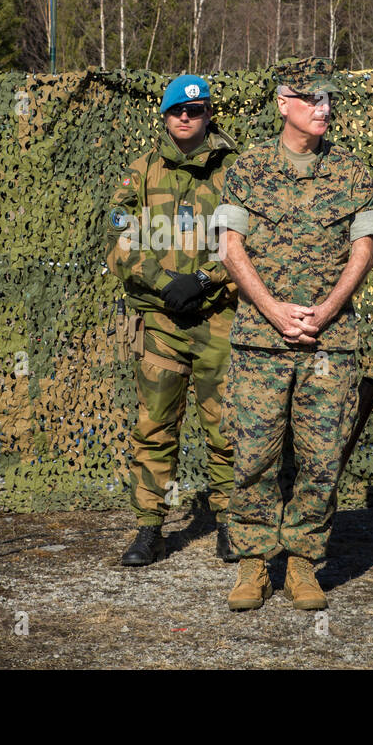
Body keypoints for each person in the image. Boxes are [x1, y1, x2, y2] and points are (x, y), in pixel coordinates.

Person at [212, 57, 373, 612]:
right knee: (254, 455)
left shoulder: (352, 171)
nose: (324, 108)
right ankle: (253, 563)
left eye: (329, 99)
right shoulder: (249, 168)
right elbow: (230, 246)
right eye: (312, 99)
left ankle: (304, 562)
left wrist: (329, 309)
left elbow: (364, 247)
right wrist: (272, 310)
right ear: (283, 103)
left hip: (329, 344)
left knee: (322, 457)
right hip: (261, 341)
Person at [106, 74, 239, 565]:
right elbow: (119, 241)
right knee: (155, 425)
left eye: (197, 110)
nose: (186, 118)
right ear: (164, 116)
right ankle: (149, 528)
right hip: (159, 322)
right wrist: (163, 283)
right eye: (178, 111)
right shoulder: (141, 174)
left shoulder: (237, 172)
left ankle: (230, 523)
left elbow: (251, 245)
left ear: (209, 115)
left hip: (220, 319)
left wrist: (205, 280)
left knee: (225, 427)